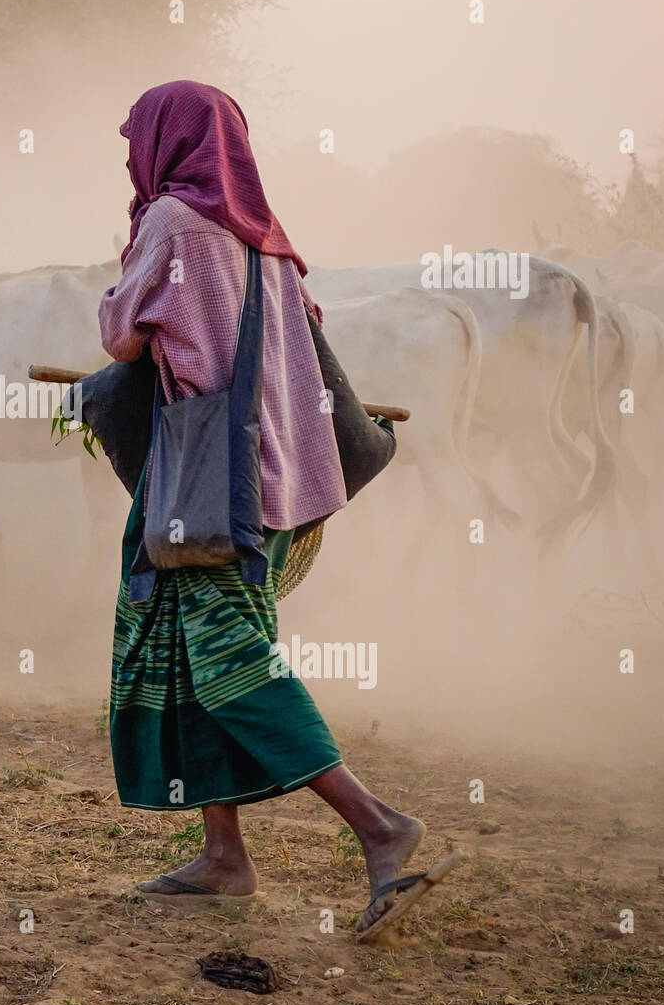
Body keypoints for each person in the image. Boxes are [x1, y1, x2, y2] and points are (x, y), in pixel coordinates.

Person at [98, 79, 425, 933]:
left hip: (207, 490)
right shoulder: (272, 242)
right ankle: (224, 857)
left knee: (231, 662)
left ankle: (381, 826)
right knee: (187, 654)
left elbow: (123, 334)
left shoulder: (170, 223)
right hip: (281, 484)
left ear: (163, 144)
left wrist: (124, 269)